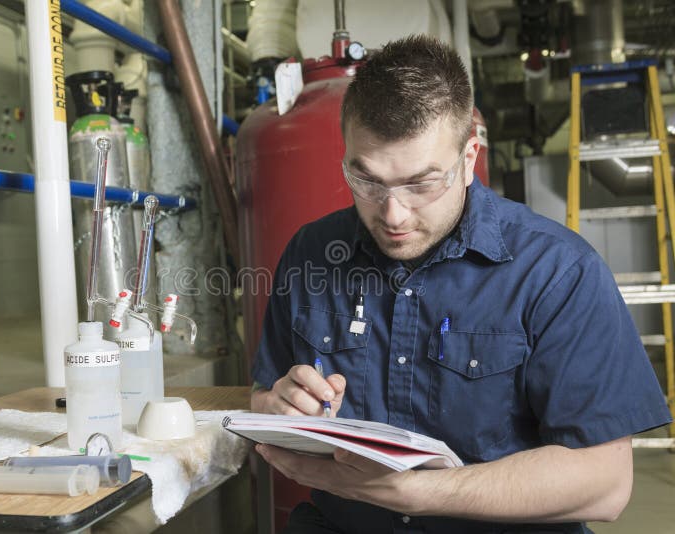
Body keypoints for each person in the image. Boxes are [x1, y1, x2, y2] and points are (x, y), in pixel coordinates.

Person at [249, 34, 672, 534]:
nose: (392, 213)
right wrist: (280, 405)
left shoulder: (558, 272)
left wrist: (419, 494)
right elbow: (262, 396)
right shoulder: (310, 253)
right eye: (366, 180)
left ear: (470, 158)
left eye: (421, 184)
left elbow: (604, 485)